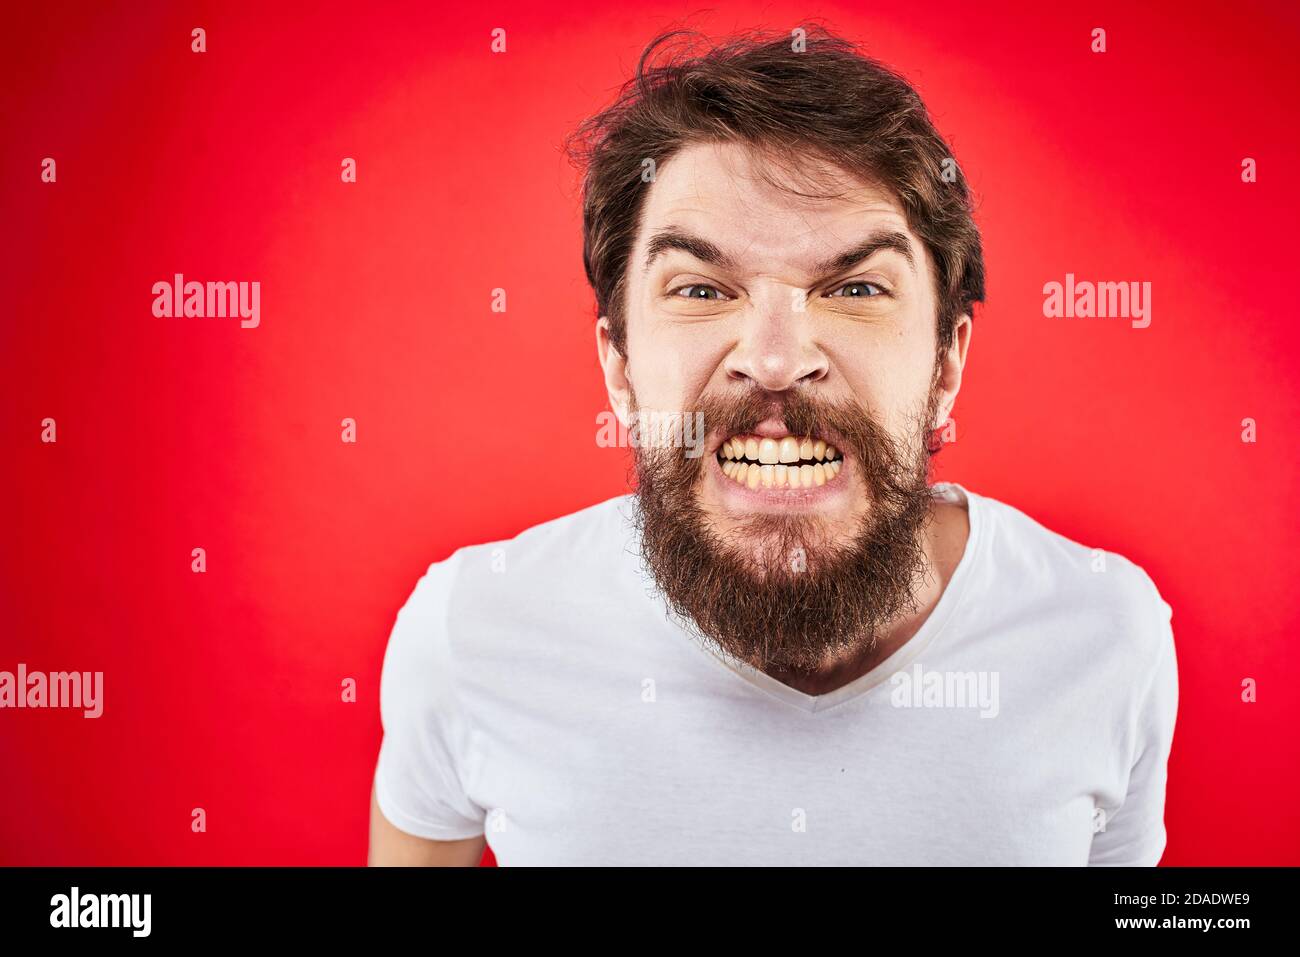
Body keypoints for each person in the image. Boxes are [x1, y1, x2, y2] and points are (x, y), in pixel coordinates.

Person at [368, 26, 1177, 866]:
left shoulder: (1106, 632)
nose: (779, 359)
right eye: (702, 288)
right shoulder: (470, 630)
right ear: (619, 365)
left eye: (857, 287)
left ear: (945, 365)